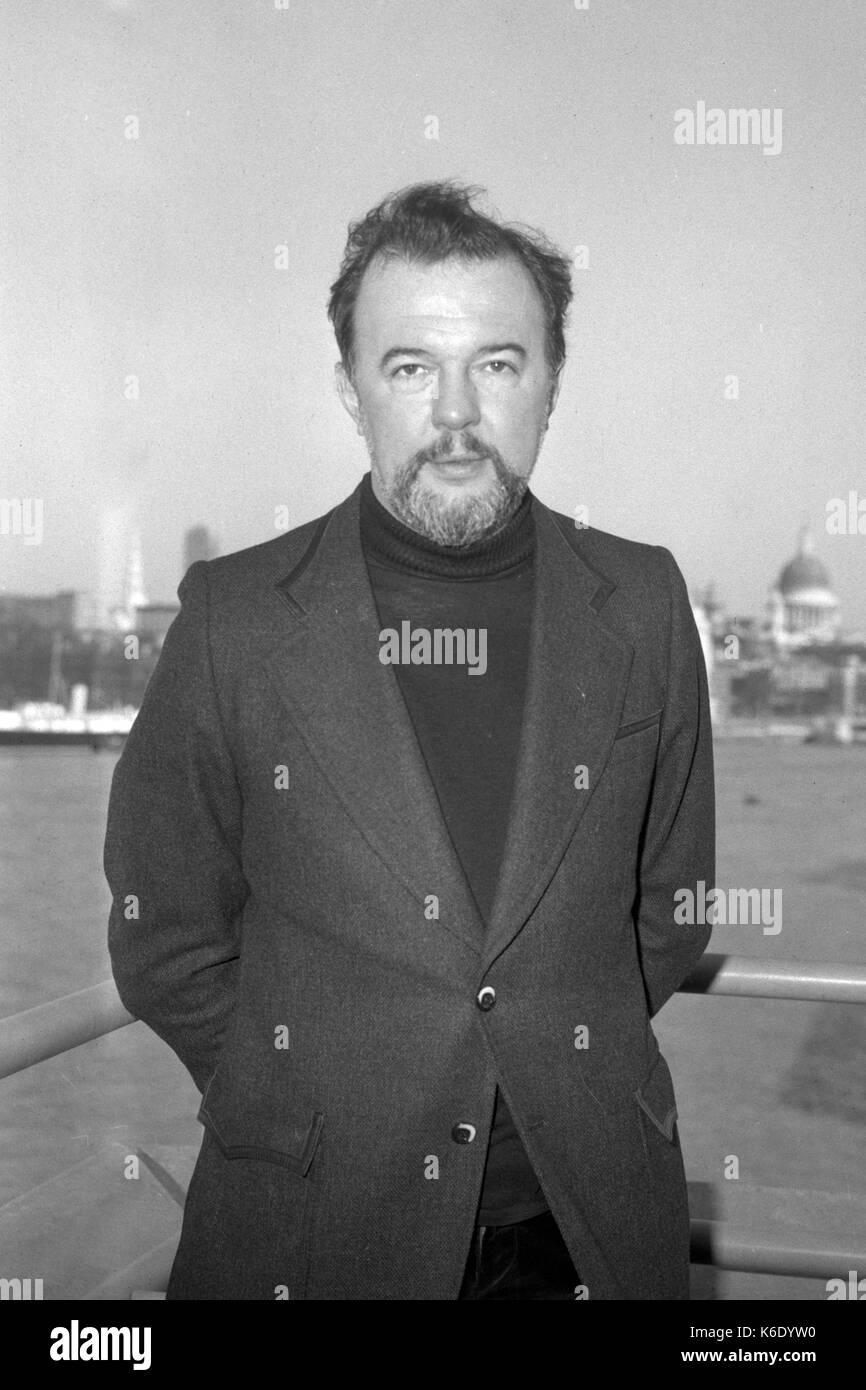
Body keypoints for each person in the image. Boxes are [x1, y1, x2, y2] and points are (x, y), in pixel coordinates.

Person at [104, 180, 715, 1300]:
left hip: (587, 1225)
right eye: (408, 367)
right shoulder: (234, 619)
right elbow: (164, 931)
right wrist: (303, 1096)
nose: (453, 415)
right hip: (315, 1228)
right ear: (349, 389)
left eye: (495, 362)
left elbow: (670, 905)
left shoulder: (639, 600)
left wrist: (548, 1051)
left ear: (548, 384)